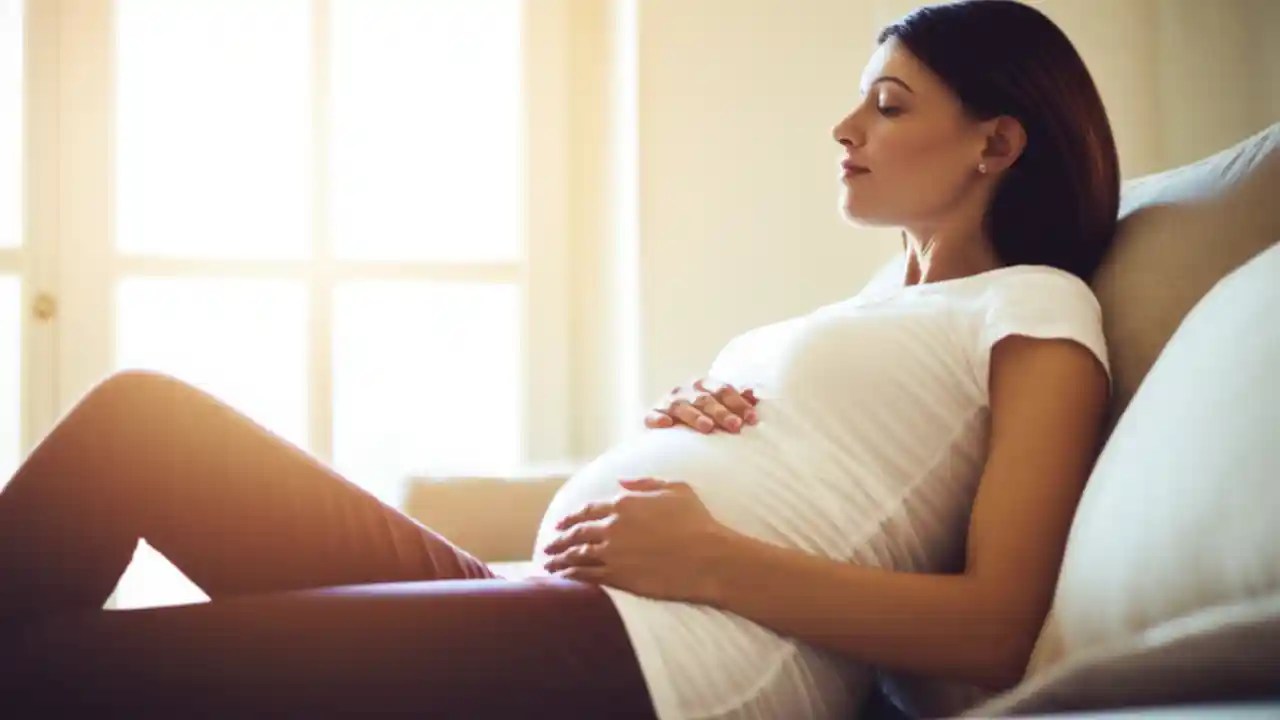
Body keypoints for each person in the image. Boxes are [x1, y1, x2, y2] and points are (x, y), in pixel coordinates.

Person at [0, 1, 1119, 717]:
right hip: (550, 608)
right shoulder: (887, 303)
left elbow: (995, 630)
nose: (843, 129)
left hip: (657, 667)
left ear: (996, 142)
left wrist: (710, 555)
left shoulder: (1038, 308)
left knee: (65, 668)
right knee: (140, 428)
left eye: (886, 104)